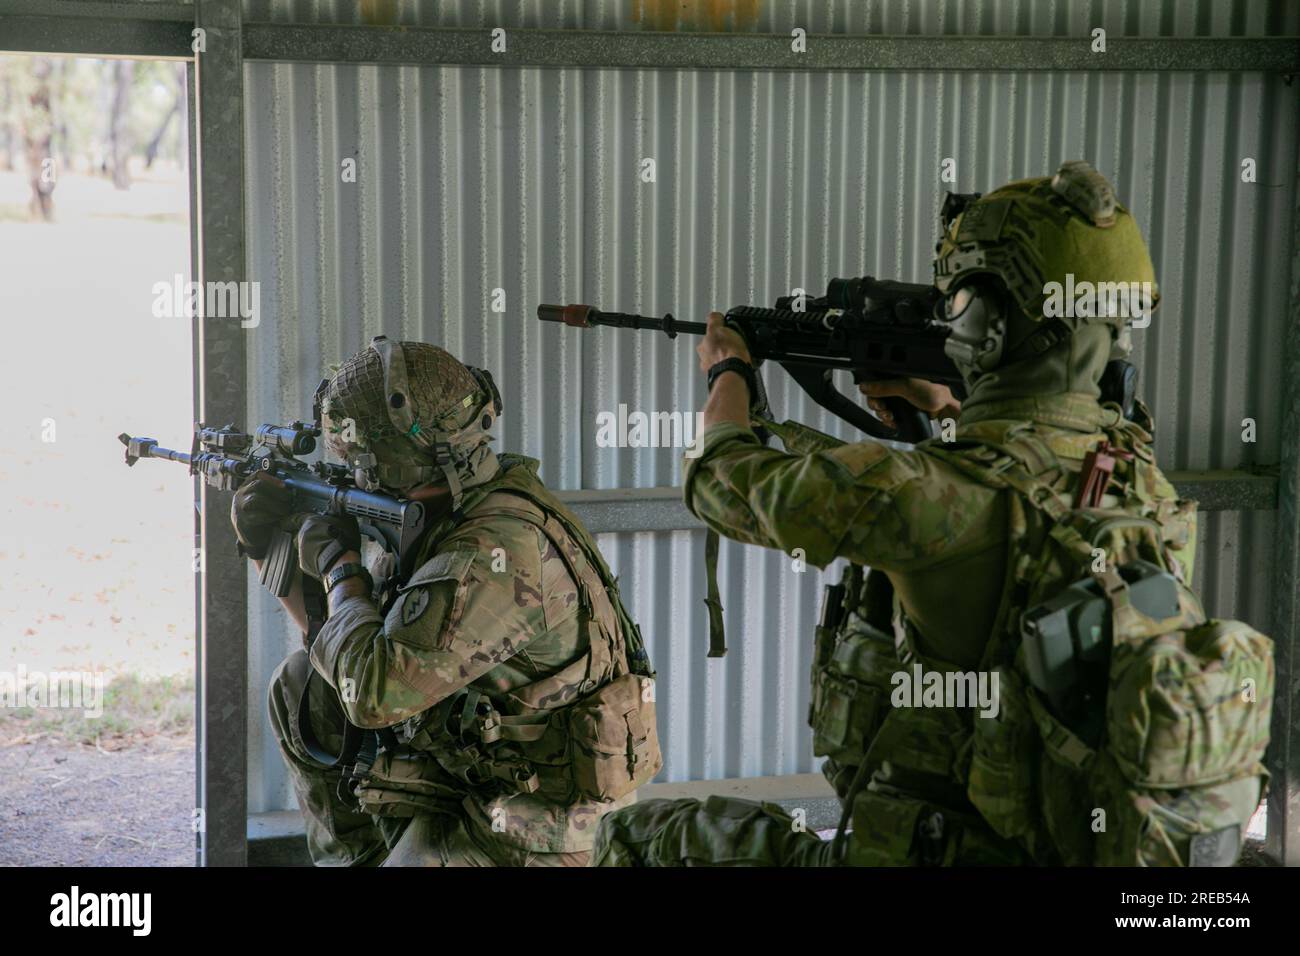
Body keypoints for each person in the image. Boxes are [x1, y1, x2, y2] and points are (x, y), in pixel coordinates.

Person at [592, 160, 1269, 867]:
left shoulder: (934, 494)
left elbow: (724, 480)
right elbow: (1022, 477)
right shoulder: (1138, 476)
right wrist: (948, 412)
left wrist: (726, 370)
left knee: (640, 839)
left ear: (989, 323)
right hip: (1057, 847)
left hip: (928, 853)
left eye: (958, 306)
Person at [232, 336, 660, 866]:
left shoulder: (493, 548)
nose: (354, 478)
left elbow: (373, 696)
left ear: (388, 465)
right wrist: (264, 548)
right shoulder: (443, 512)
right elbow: (333, 649)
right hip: (466, 772)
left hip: (535, 824)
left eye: (359, 466)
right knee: (299, 684)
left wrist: (338, 565)